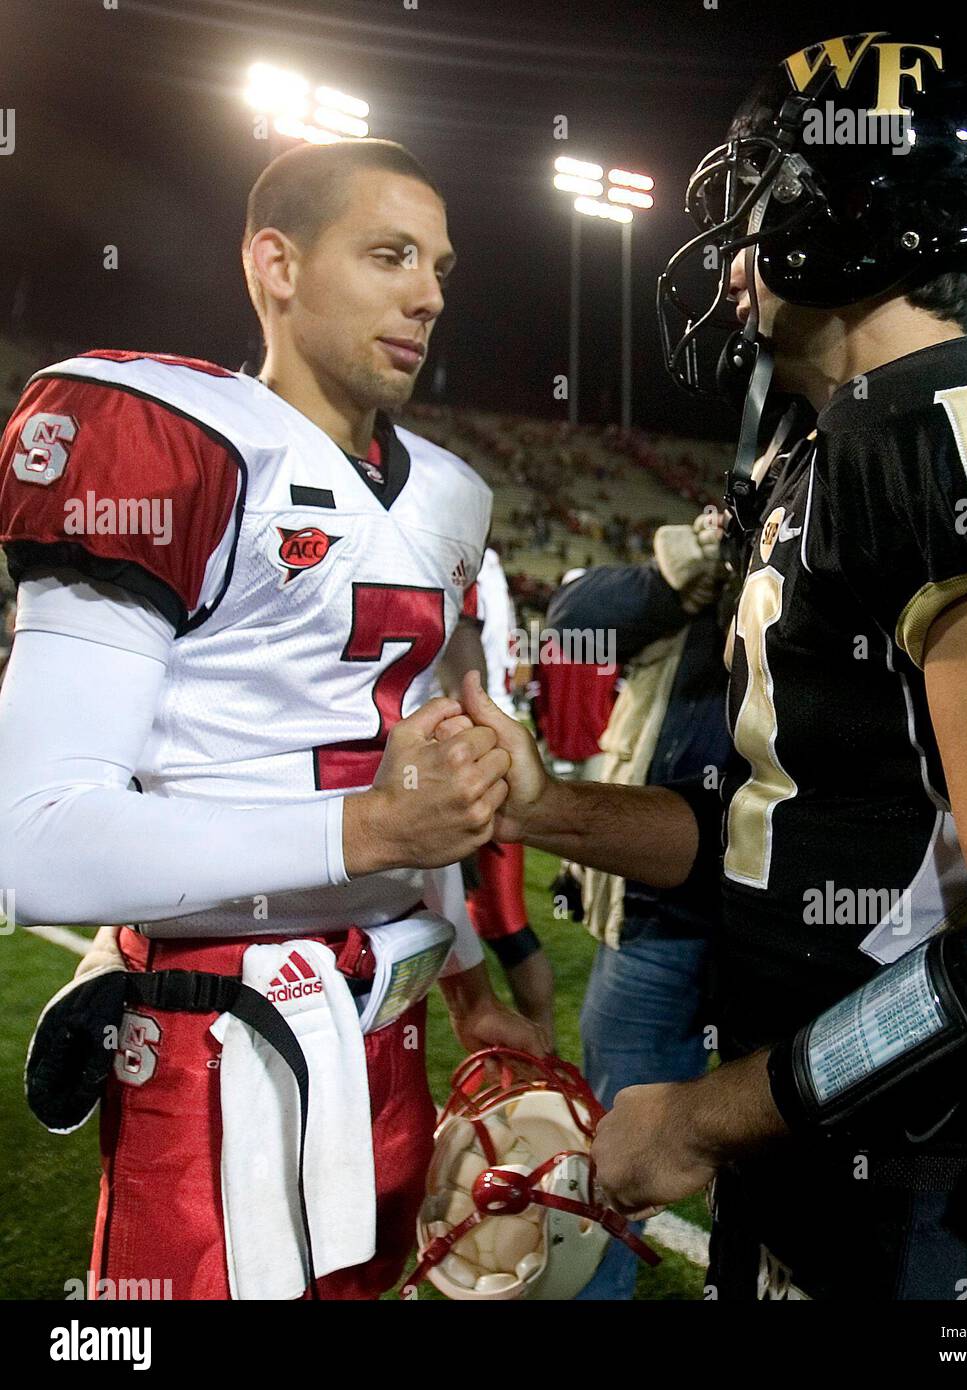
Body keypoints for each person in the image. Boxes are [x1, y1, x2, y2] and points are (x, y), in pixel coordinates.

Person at [445, 27, 967, 1300]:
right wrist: (546, 806)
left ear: (842, 207)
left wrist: (698, 1119)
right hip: (827, 1163)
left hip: (959, 1207)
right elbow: (770, 832)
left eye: (757, 192)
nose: (731, 246)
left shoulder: (962, 432)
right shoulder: (818, 458)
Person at [0, 138, 541, 1300]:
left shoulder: (452, 492)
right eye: (389, 254)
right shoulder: (165, 432)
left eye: (441, 265)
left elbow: (421, 771)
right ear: (275, 264)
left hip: (388, 1032)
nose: (430, 293)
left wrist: (474, 991)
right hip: (212, 1044)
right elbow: (32, 837)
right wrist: (370, 831)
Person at [548, 513, 735, 1300]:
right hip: (660, 912)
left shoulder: (838, 570)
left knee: (803, 1177)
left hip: (795, 923)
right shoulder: (701, 580)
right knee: (614, 1160)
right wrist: (687, 565)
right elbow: (572, 622)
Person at [463, 546, 556, 1046]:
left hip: (475, 734)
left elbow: (461, 652)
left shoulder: (466, 557)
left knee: (499, 920)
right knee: (483, 918)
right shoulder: (489, 562)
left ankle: (542, 1058)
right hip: (489, 729)